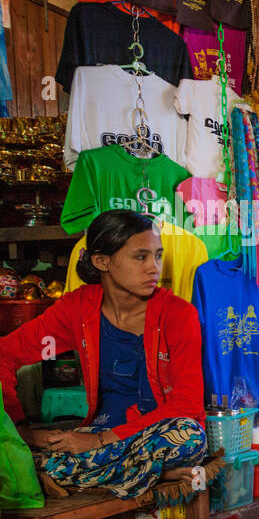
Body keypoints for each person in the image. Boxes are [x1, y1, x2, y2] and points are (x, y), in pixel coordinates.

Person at [0, 210, 205, 499]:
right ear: (101, 261)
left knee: (190, 437)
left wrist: (99, 441)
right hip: (103, 431)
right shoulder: (77, 310)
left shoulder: (178, 314)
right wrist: (22, 429)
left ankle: (71, 474)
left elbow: (187, 404)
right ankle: (147, 471)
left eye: (158, 256)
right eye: (140, 256)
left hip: (156, 434)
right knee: (23, 451)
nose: (154, 268)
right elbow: (5, 355)